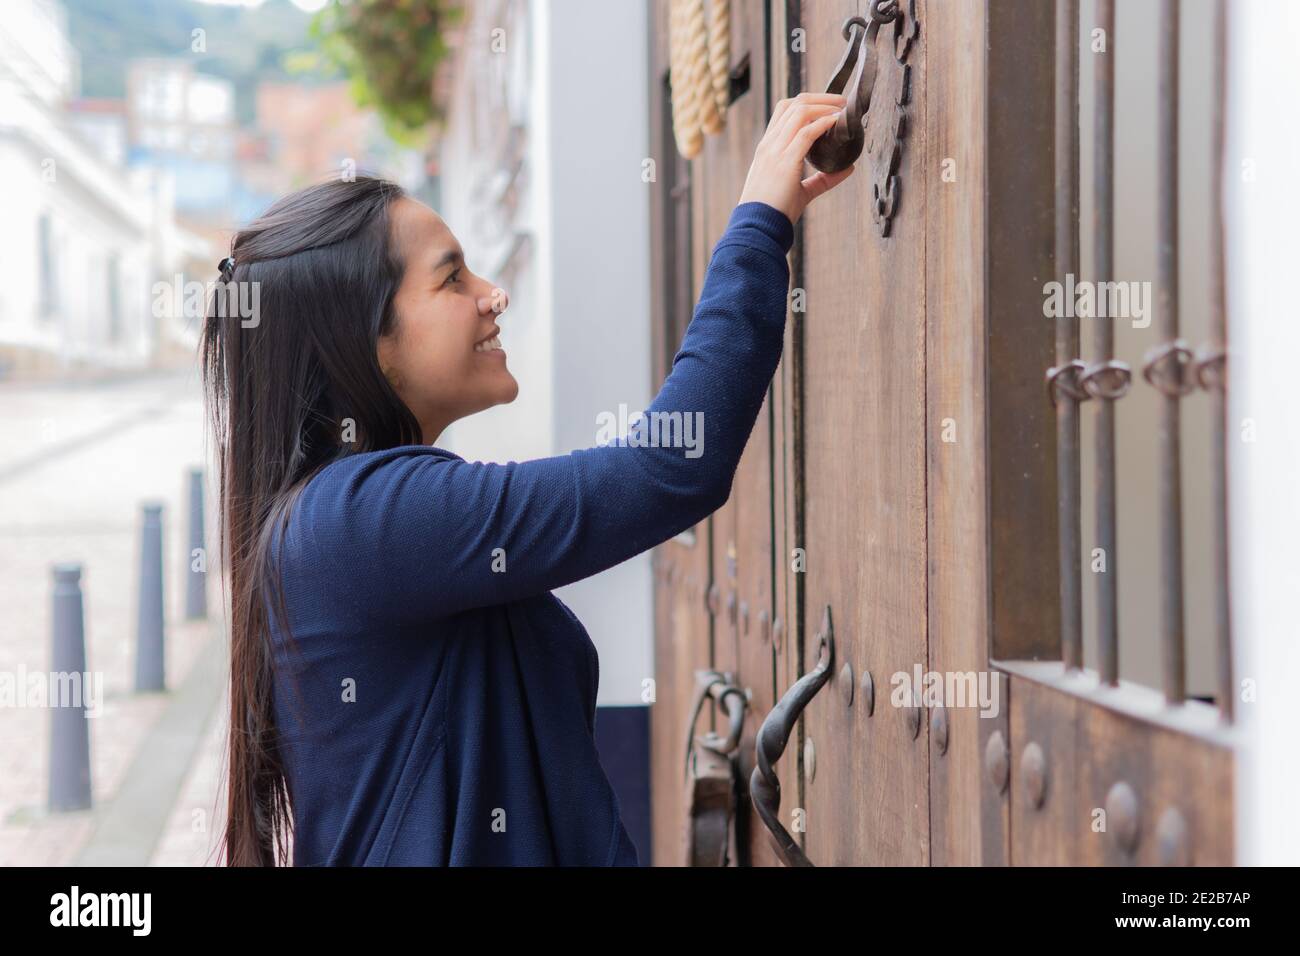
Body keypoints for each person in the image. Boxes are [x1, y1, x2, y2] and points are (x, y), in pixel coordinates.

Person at [202, 91, 854, 866]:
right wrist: (757, 224)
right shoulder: (361, 519)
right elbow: (670, 470)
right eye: (452, 280)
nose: (492, 294)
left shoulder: (346, 516)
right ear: (367, 344)